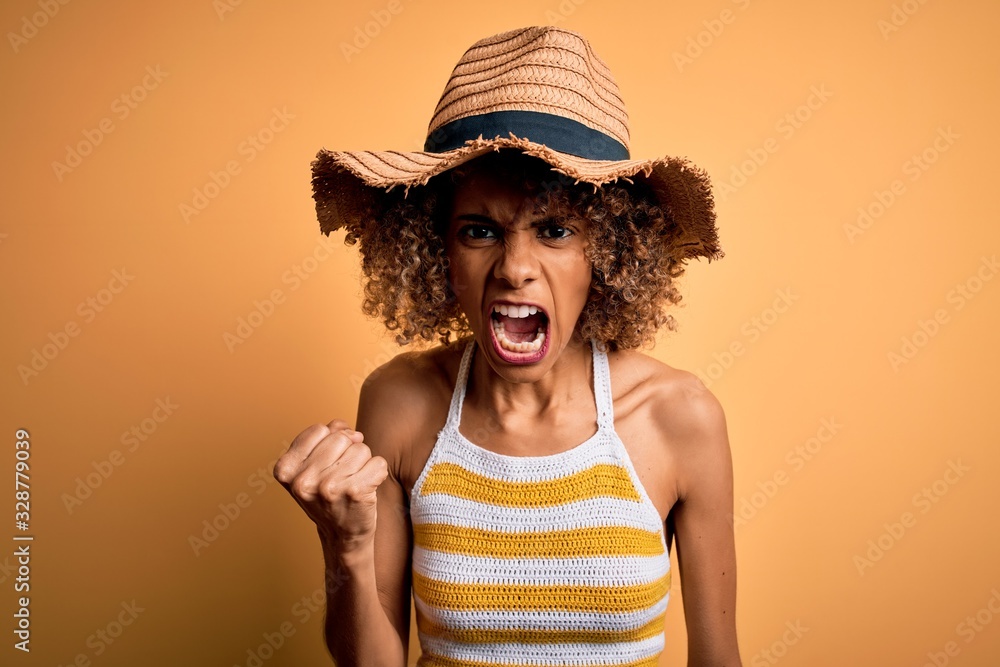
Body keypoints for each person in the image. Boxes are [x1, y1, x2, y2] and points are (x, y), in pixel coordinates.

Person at [274, 26, 742, 667]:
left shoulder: (680, 416)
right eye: (479, 231)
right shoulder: (401, 404)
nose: (515, 268)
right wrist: (345, 547)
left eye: (554, 230)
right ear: (436, 251)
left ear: (605, 253)